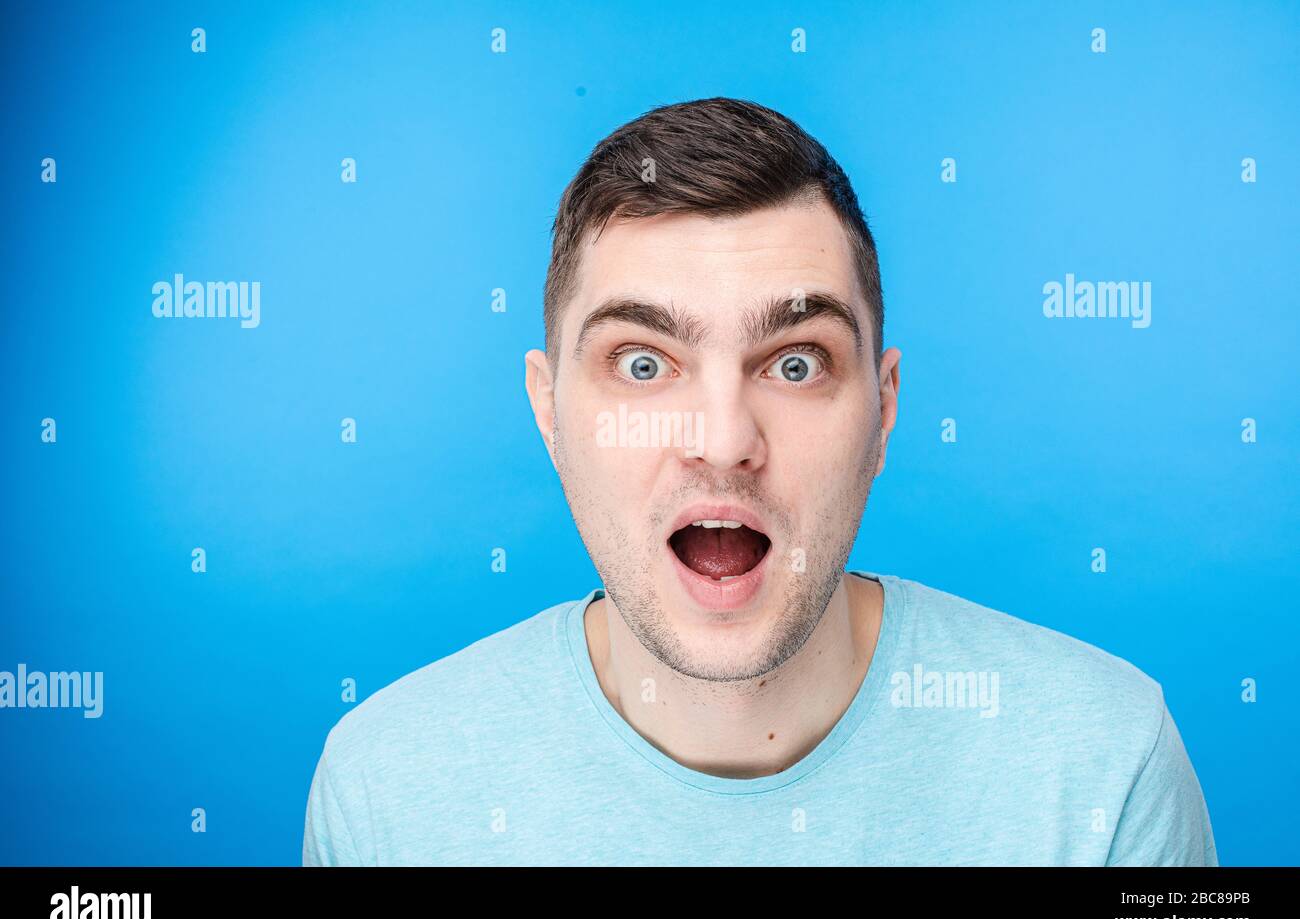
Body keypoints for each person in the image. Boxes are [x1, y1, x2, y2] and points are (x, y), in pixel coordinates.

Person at [303, 97, 1217, 865]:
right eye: (643, 364)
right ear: (549, 413)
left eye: (794, 364)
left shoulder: (1105, 765)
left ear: (884, 411)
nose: (723, 442)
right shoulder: (386, 790)